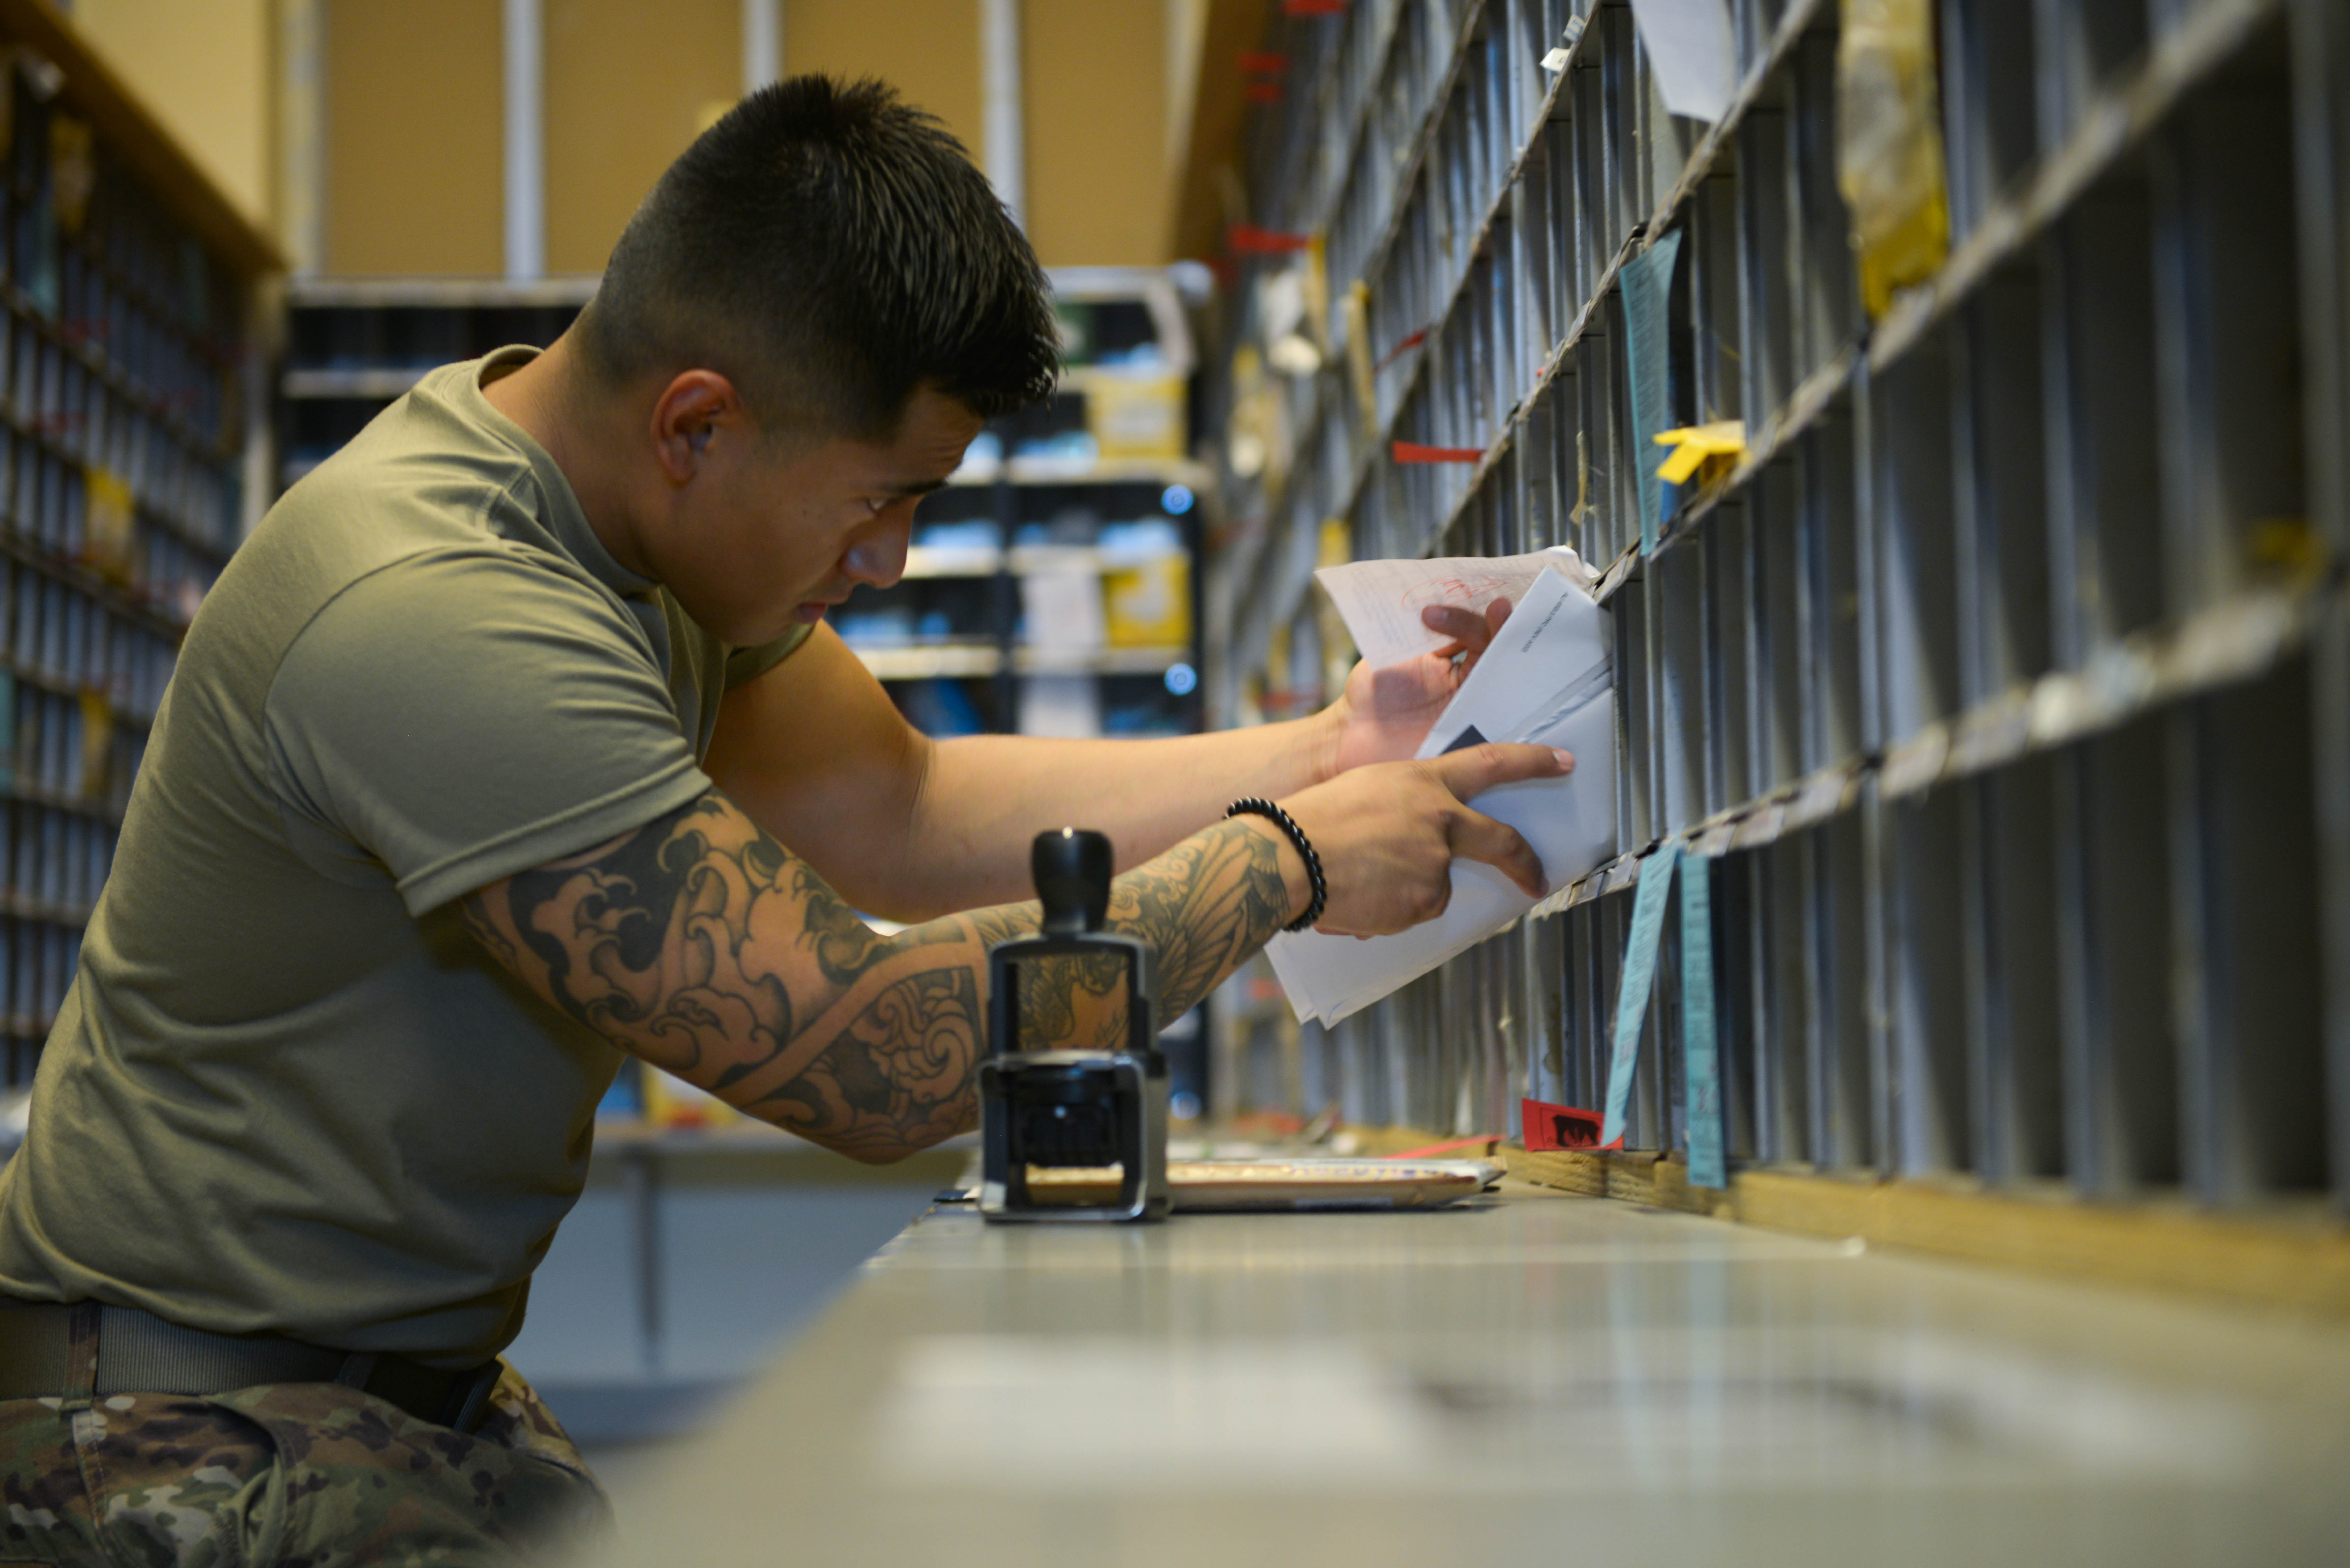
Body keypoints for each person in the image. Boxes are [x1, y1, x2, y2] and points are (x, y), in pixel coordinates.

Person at [0, 77, 1562, 1564]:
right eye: (881, 498)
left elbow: (900, 804)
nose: (887, 561)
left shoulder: (644, 548)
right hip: (175, 1434)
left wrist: (1320, 752)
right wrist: (1280, 868)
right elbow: (857, 1047)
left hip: (371, 1389)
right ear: (696, 426)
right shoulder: (439, 608)